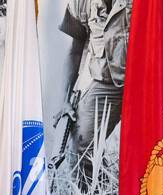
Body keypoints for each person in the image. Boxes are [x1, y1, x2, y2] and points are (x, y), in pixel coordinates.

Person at [55, 0, 131, 184]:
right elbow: (75, 48)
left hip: (146, 82)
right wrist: (64, 100)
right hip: (106, 83)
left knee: (152, 148)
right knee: (82, 144)